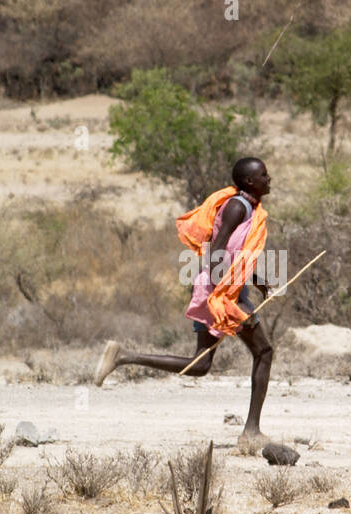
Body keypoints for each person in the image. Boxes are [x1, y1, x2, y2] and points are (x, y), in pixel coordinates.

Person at [93, 156, 275, 448]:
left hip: (215, 286)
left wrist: (256, 279)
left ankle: (123, 356)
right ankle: (251, 432)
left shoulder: (244, 206)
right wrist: (228, 303)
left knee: (200, 365)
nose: (269, 179)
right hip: (219, 290)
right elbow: (217, 251)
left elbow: (231, 252)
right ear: (250, 182)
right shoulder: (237, 207)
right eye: (264, 175)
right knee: (264, 352)